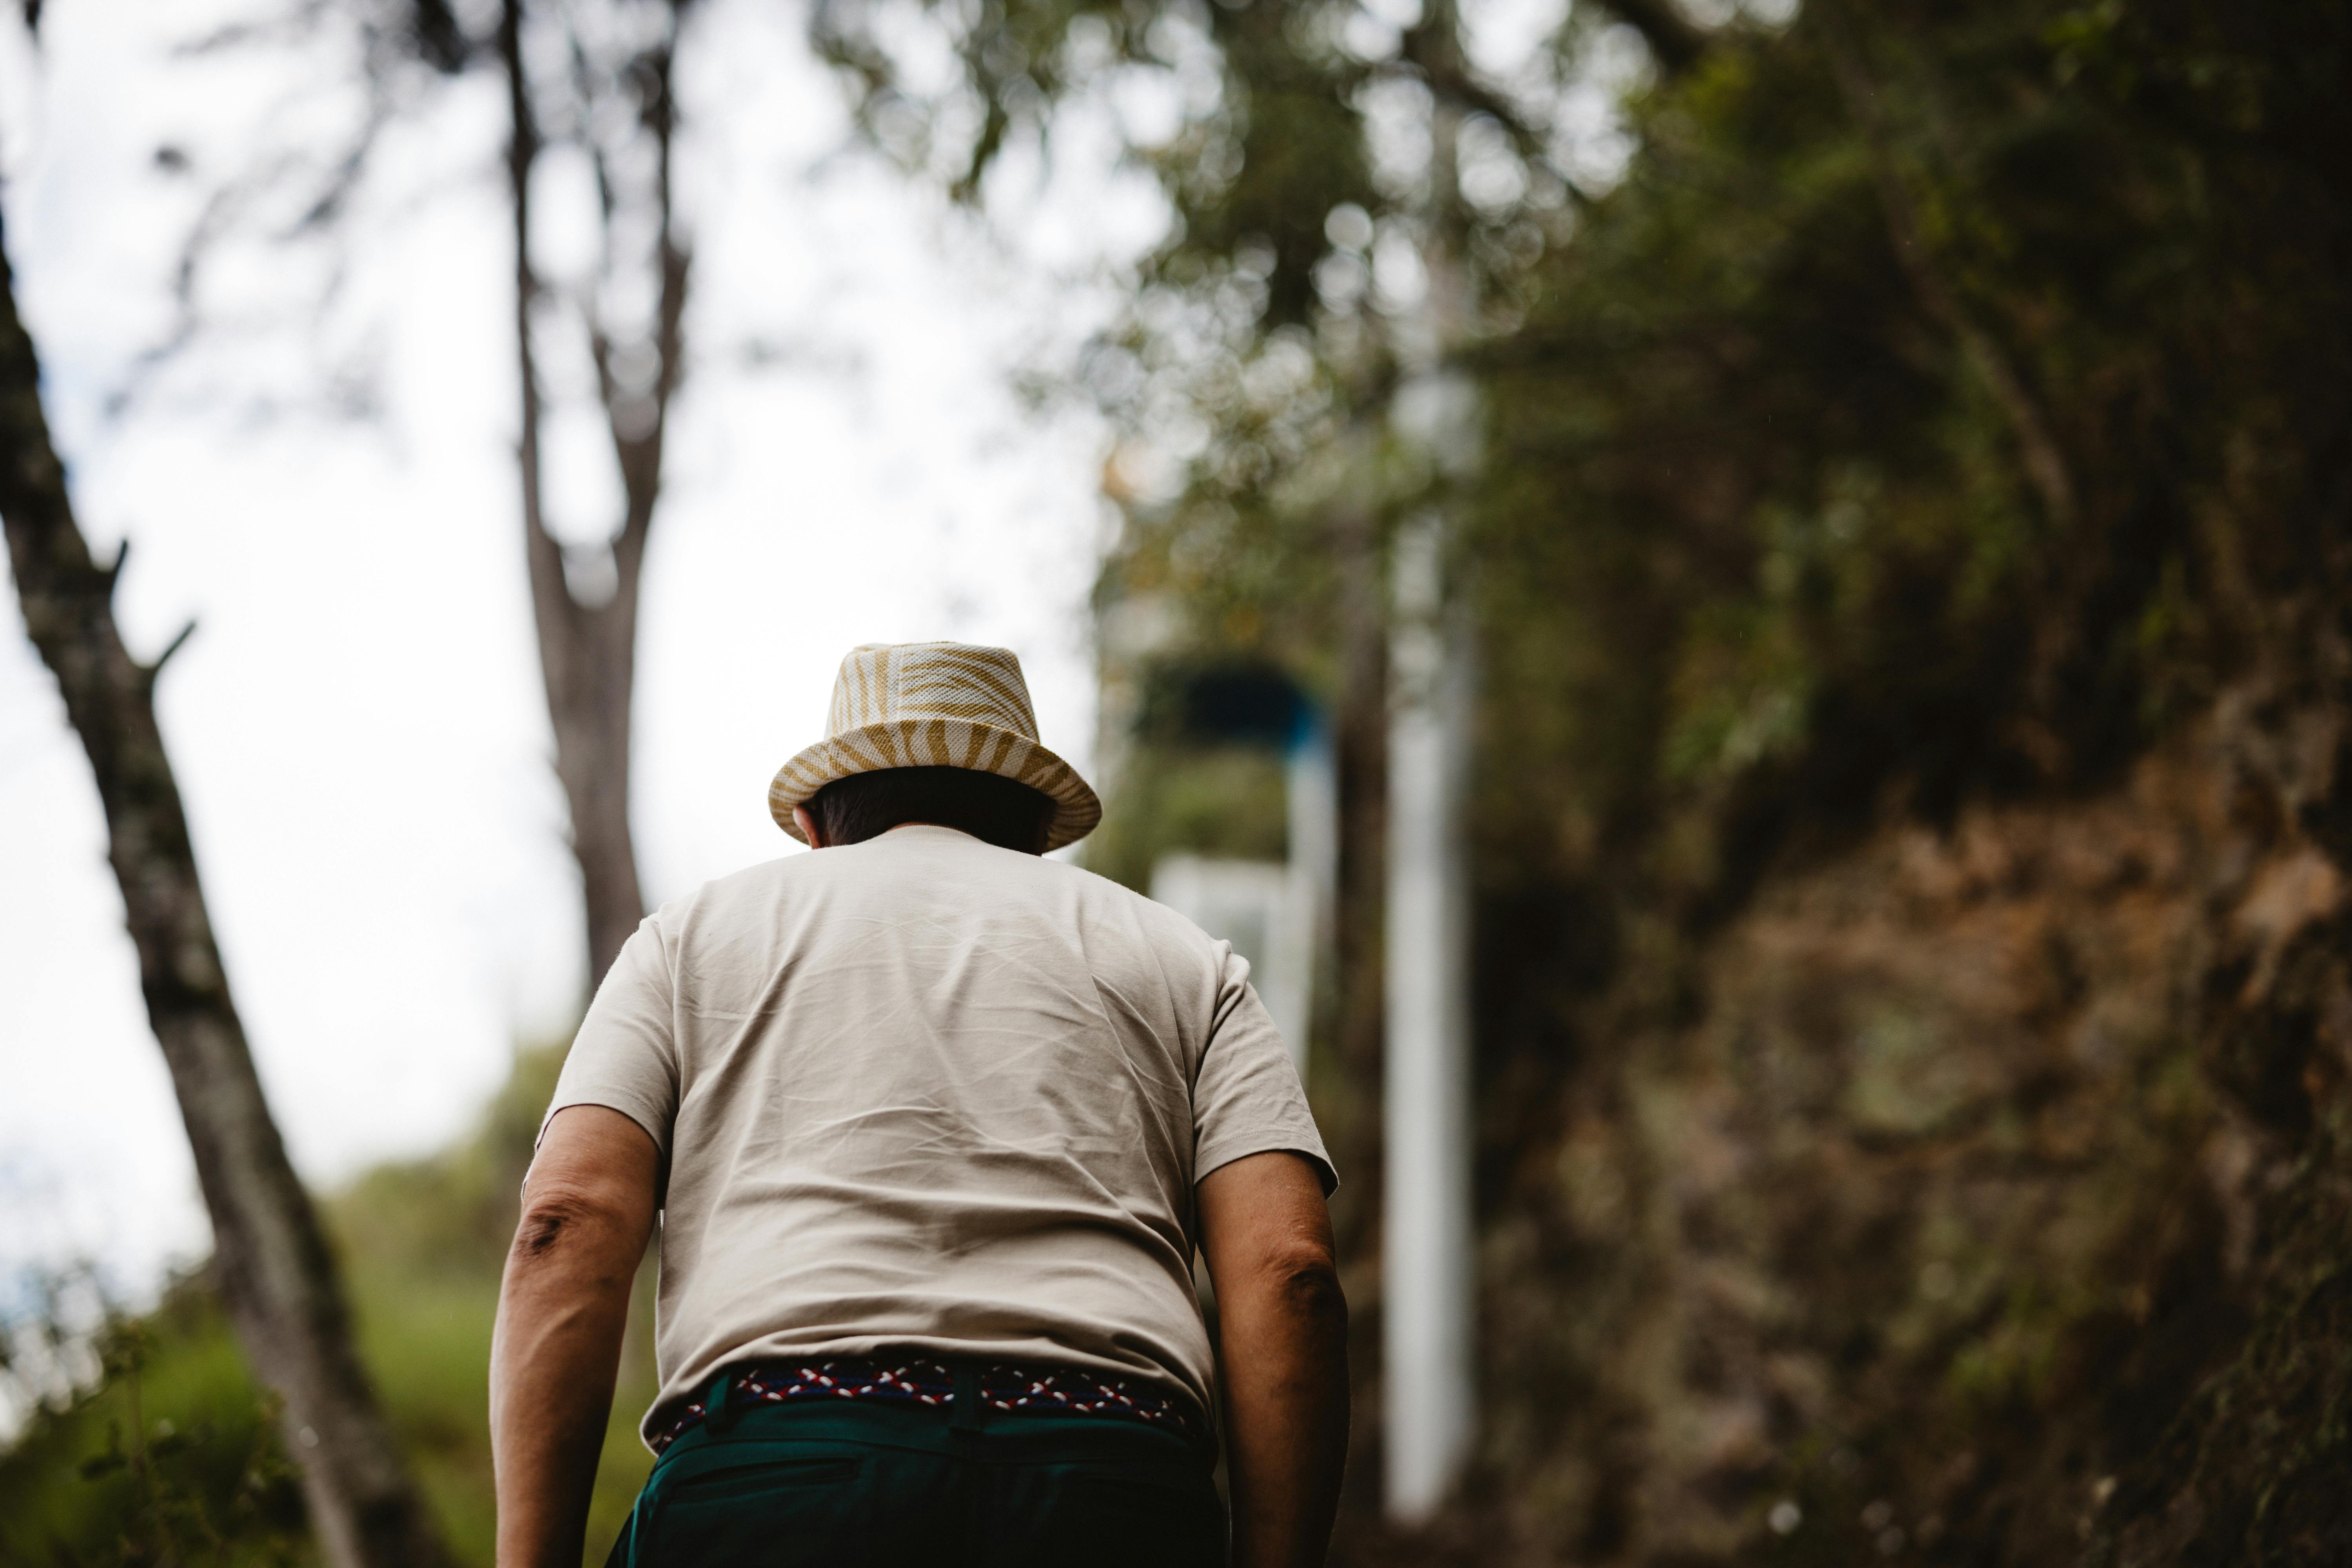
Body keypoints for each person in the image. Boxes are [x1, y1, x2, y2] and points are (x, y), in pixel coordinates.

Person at [488, 641, 1348, 1568]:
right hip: (1109, 1488)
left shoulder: (685, 941)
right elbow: (1290, 1272)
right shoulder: (1191, 964)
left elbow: (565, 1221)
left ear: (816, 824)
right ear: (1034, 827)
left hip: (778, 1484)